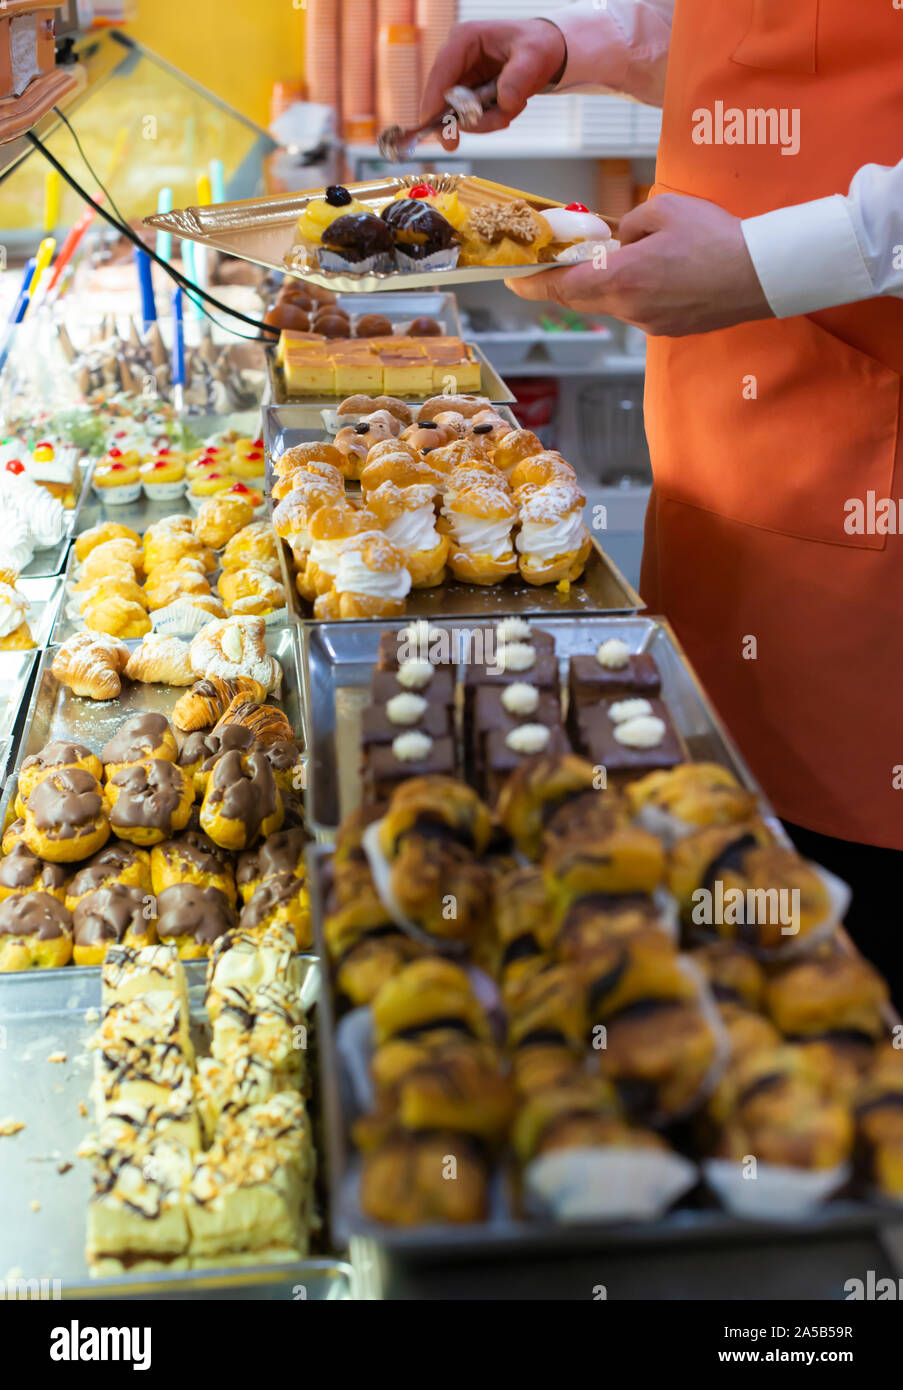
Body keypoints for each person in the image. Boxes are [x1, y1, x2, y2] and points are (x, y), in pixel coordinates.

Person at [422, 3, 903, 996]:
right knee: (706, 969)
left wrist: (769, 264)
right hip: (722, 482)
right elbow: (761, 35)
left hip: (869, 523)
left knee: (843, 1017)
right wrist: (568, 49)